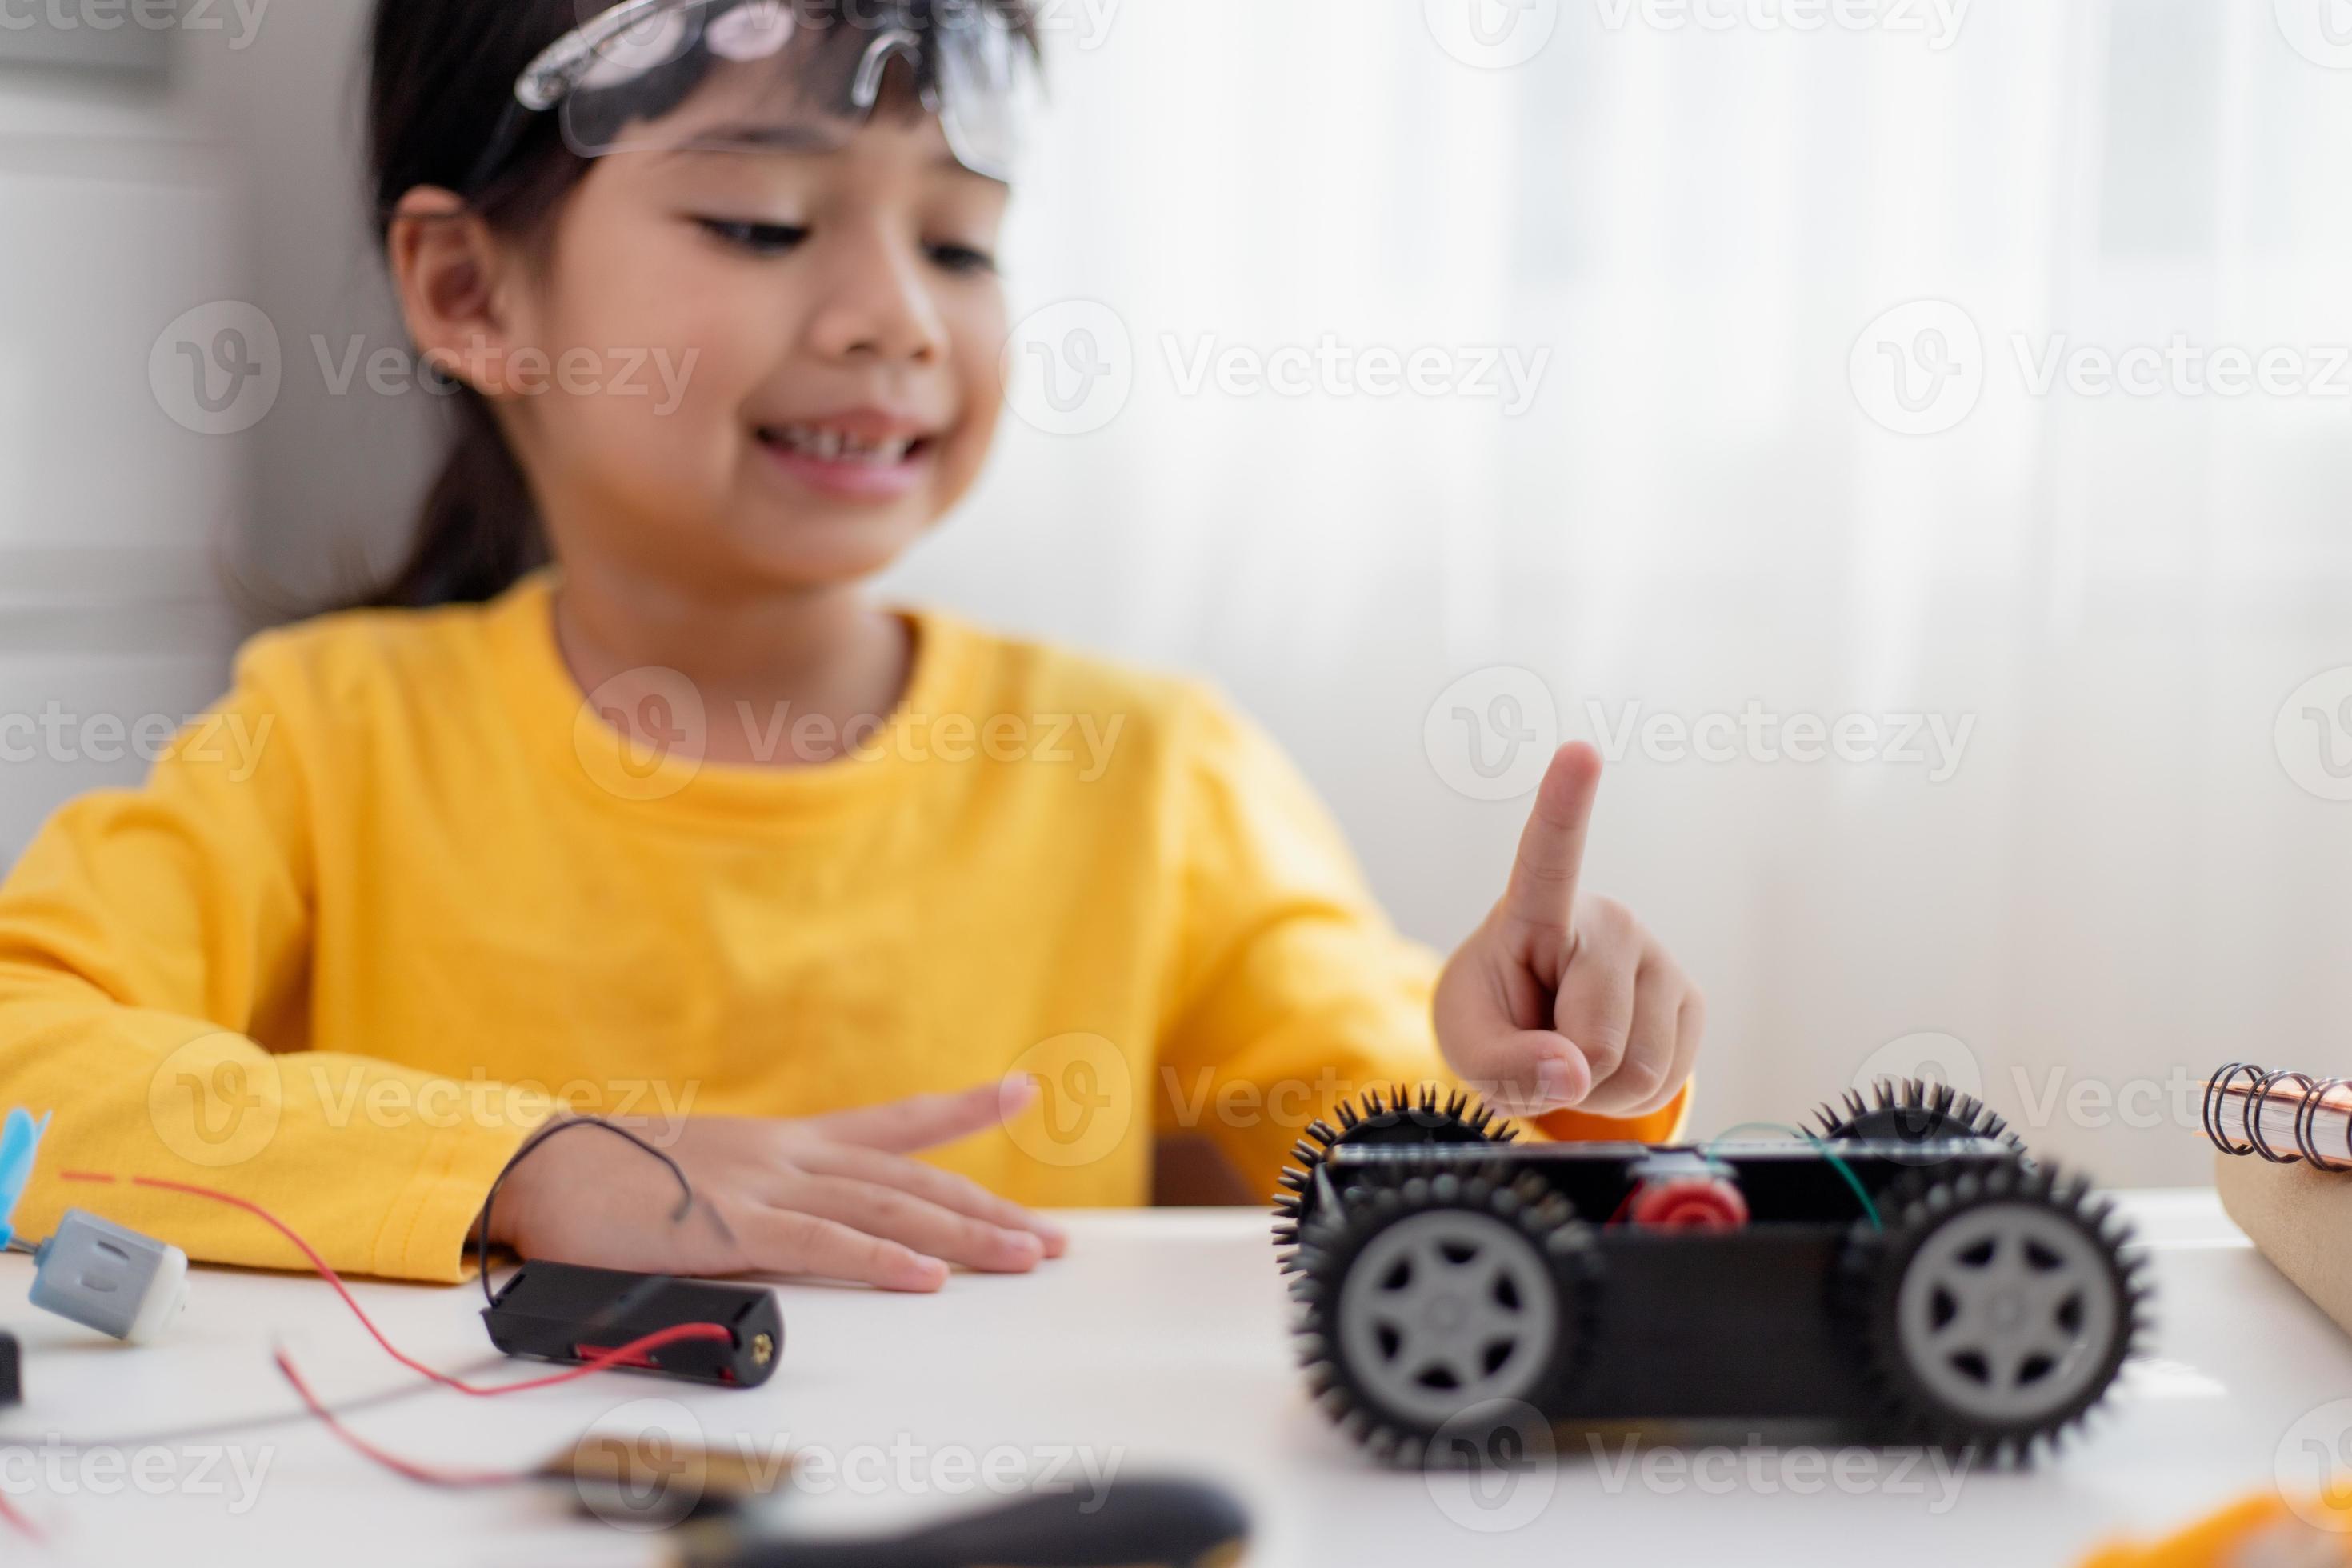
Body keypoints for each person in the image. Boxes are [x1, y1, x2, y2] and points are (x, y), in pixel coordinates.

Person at [0, 0, 1703, 1289]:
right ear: (470, 295)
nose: (895, 313)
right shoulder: (332, 739)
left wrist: (1553, 1086)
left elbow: (1413, 1169)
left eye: (960, 240)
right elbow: (23, 1056)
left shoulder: (1145, 773)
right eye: (760, 223)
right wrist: (522, 1161)